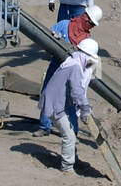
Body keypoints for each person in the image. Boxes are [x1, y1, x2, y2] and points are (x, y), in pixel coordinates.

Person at [39, 4, 102, 134]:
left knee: (71, 102)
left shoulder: (87, 40)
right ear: (84, 17)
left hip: (73, 74)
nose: (90, 26)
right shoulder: (64, 25)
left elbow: (89, 66)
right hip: (56, 66)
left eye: (92, 25)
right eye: (90, 23)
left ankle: (73, 132)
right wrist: (54, 39)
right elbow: (47, 39)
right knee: (48, 93)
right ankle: (45, 126)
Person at [39, 38, 98, 174]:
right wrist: (84, 108)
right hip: (55, 105)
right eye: (90, 58)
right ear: (85, 55)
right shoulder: (75, 67)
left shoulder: (72, 61)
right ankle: (67, 168)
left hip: (57, 102)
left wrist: (84, 106)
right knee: (69, 136)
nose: (90, 62)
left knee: (70, 132)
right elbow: (76, 91)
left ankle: (70, 162)